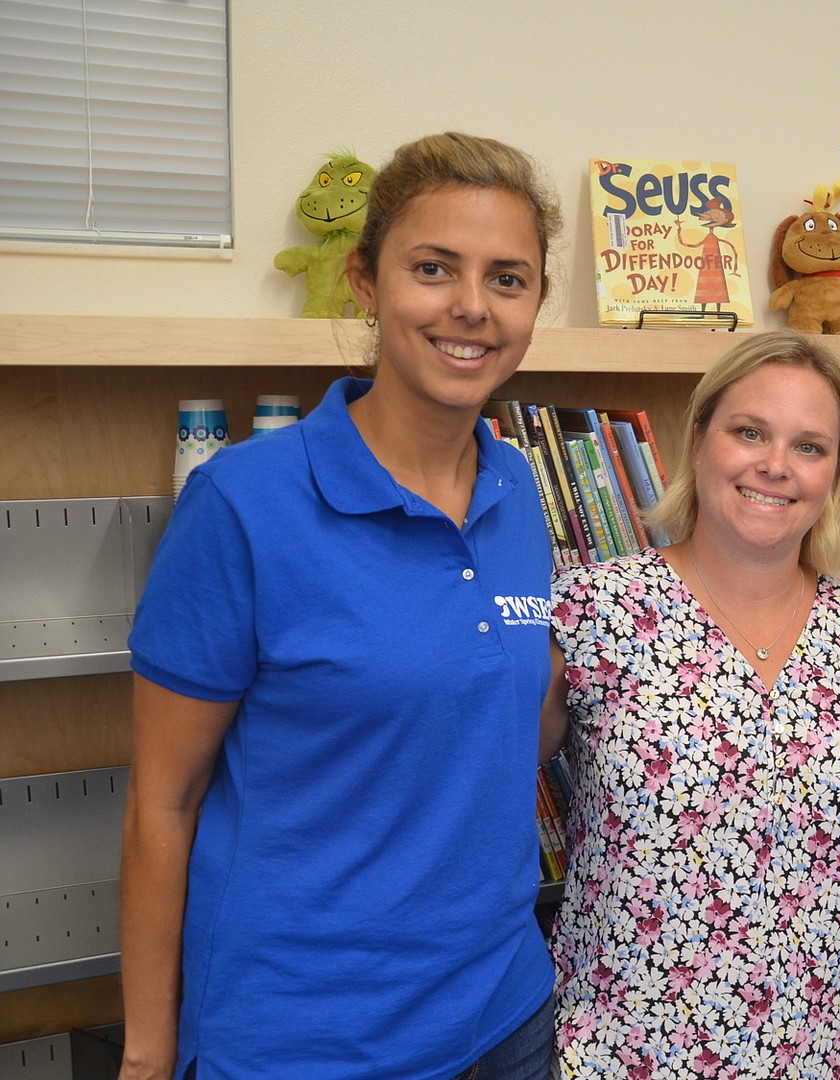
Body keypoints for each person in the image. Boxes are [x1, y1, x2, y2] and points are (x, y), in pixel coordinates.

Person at [120, 132, 563, 1079]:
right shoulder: (242, 504)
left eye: (508, 279)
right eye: (433, 268)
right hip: (306, 1039)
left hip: (505, 1016)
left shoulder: (517, 488)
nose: (472, 308)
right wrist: (148, 1057)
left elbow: (493, 727)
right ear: (365, 282)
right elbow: (164, 800)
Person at [545, 332, 840, 1080]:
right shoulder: (595, 609)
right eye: (749, 431)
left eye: (809, 446)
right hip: (625, 1059)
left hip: (832, 1057)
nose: (775, 465)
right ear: (698, 439)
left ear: (835, 472)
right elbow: (475, 777)